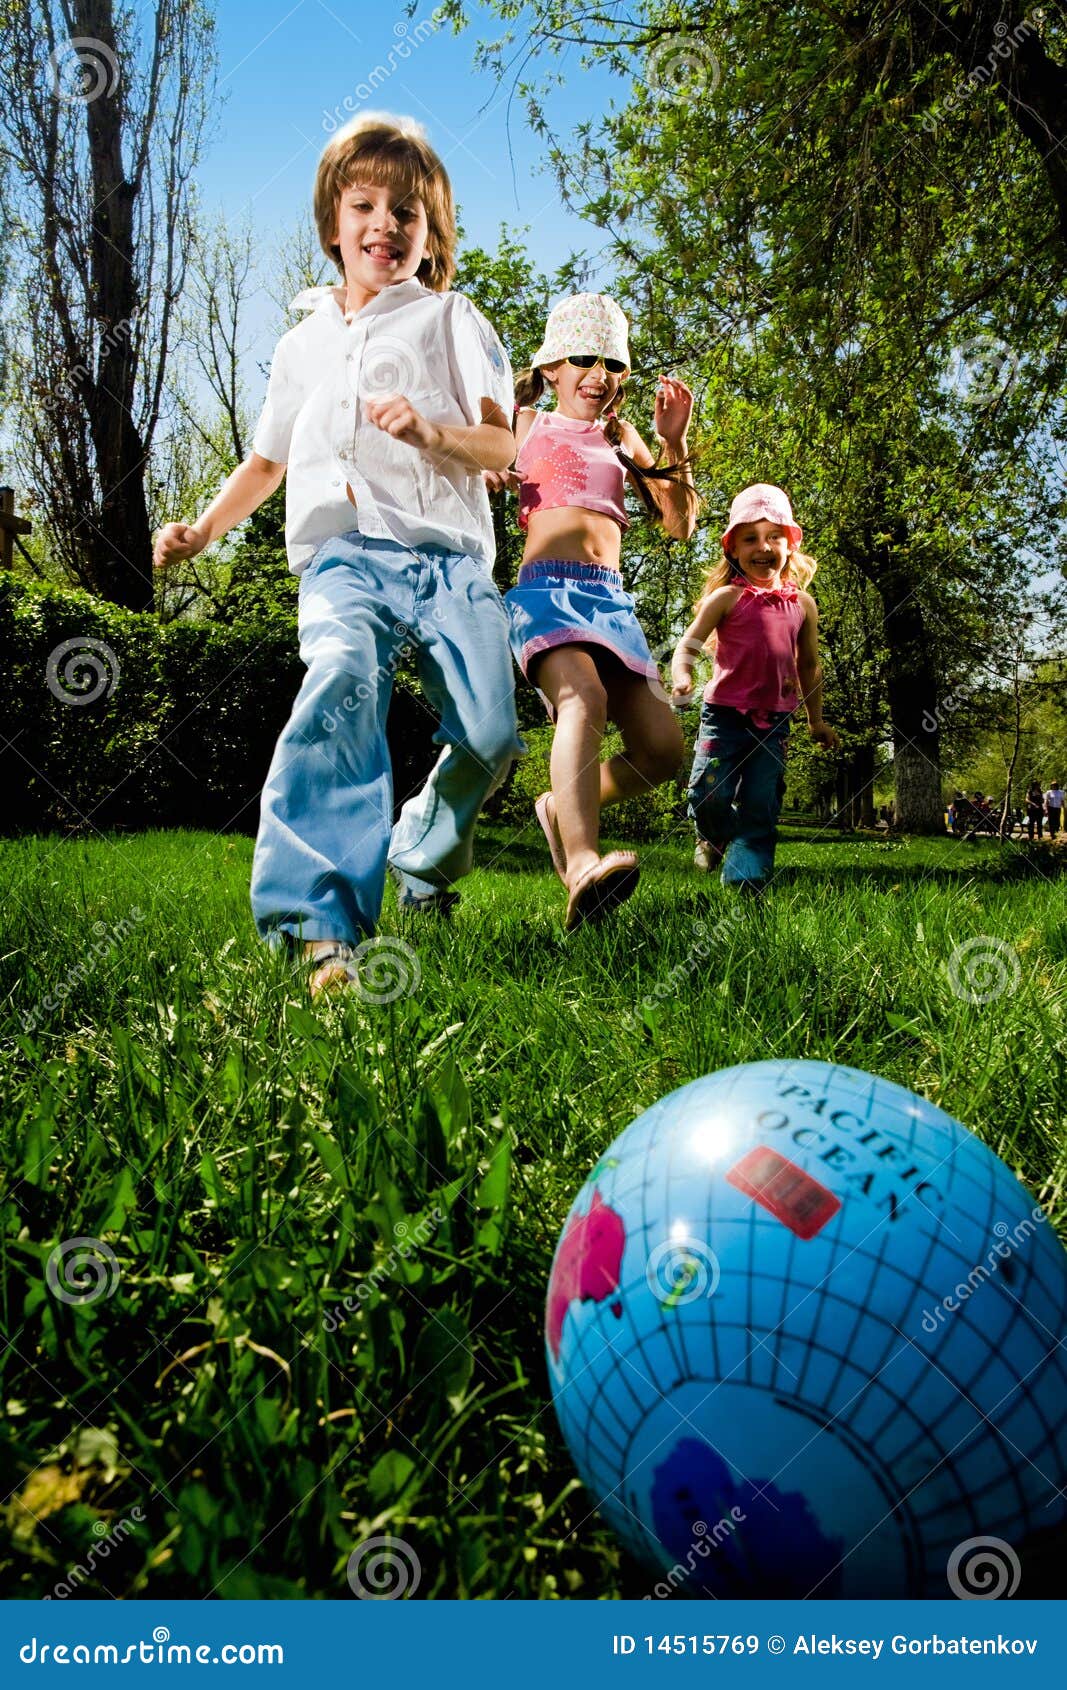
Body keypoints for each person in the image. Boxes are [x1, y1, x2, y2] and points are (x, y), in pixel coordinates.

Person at [154, 113, 522, 995]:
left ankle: (422, 853)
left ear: (430, 235)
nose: (385, 225)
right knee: (338, 679)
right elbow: (267, 461)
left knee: (493, 735)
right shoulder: (300, 346)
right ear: (333, 224)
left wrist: (434, 433)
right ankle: (320, 929)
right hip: (343, 559)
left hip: (448, 562)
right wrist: (203, 529)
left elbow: (503, 448)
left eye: (408, 211)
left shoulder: (449, 319)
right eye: (365, 205)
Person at [497, 293, 698, 929]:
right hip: (545, 592)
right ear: (552, 366)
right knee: (584, 698)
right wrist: (485, 474)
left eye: (613, 363)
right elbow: (470, 472)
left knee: (663, 751)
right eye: (583, 358)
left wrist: (675, 441)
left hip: (609, 599)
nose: (599, 374)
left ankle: (563, 806)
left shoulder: (623, 437)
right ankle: (581, 860)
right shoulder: (525, 424)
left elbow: (679, 524)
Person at [671, 484, 839, 890]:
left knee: (761, 803)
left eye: (773, 537)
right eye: (750, 538)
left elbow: (809, 665)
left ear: (790, 545)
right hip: (723, 716)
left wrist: (816, 721)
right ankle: (712, 834)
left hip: (775, 721)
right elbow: (688, 643)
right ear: (733, 549)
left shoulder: (803, 605)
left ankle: (745, 883)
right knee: (707, 792)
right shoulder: (726, 598)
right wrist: (683, 676)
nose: (763, 547)